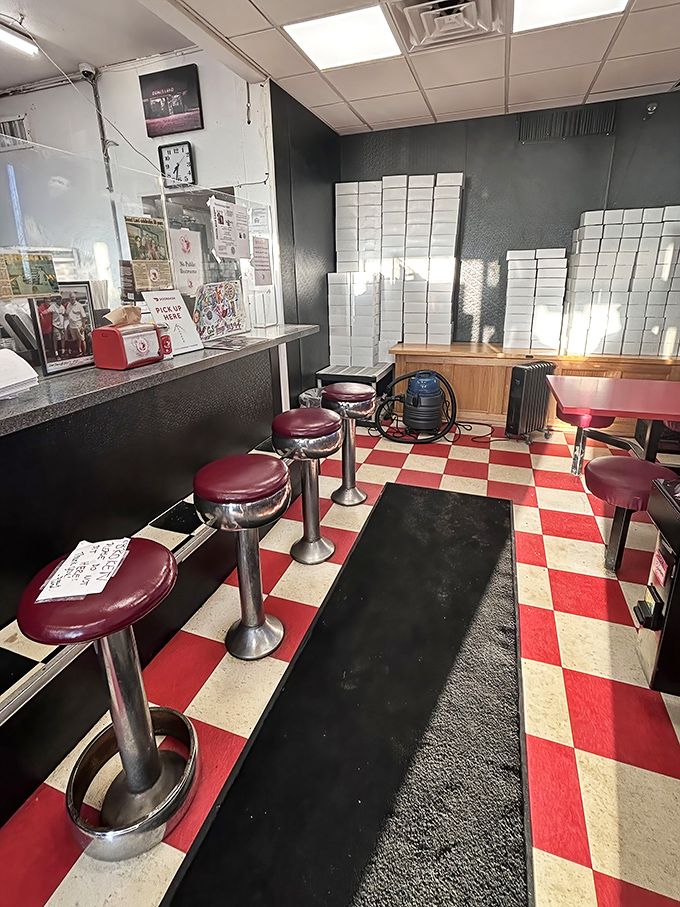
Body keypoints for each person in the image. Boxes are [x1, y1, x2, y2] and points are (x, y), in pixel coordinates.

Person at [66, 292, 88, 357]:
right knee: (76, 340)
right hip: (72, 326)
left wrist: (83, 326)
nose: (72, 299)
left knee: (82, 339)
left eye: (73, 297)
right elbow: (67, 314)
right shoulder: (68, 305)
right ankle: (79, 351)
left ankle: (85, 352)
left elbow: (83, 317)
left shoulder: (79, 305)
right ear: (69, 298)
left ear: (75, 298)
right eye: (71, 297)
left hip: (79, 325)